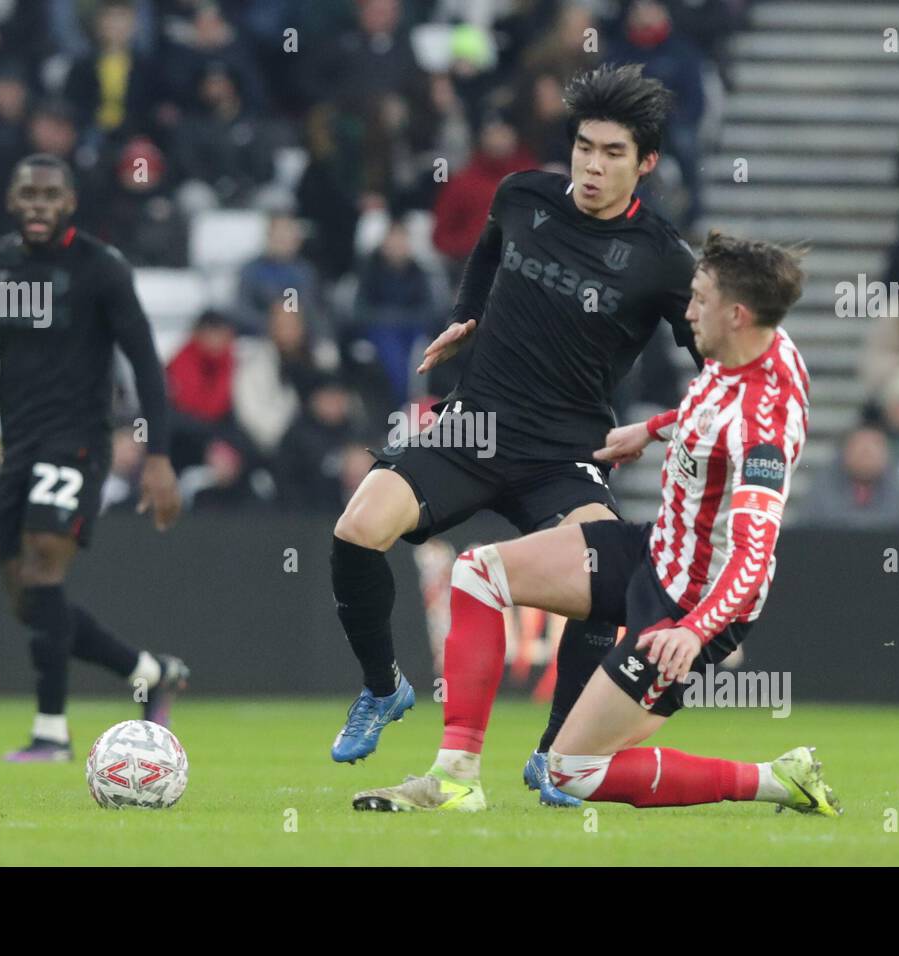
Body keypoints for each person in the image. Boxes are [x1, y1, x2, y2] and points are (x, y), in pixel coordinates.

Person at [352, 232, 839, 818]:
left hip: (687, 611)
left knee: (572, 772)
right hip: (653, 553)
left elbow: (753, 557)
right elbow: (715, 398)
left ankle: (776, 778)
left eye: (700, 300)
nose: (686, 312)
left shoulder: (762, 429)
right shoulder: (761, 345)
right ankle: (455, 778)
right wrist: (654, 429)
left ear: (737, 315)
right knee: (480, 572)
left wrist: (693, 632)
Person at [329, 65, 702, 808]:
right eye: (585, 148)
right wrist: (467, 314)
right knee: (355, 528)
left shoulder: (664, 258)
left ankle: (553, 754)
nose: (593, 166)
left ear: (647, 163)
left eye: (613, 153)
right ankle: (382, 687)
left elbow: (715, 362)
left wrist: (667, 428)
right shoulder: (523, 195)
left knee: (611, 589)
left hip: (566, 453)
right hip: (473, 424)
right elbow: (490, 250)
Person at [0, 154, 189, 762]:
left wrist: (158, 455)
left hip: (77, 442)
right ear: (11, 200)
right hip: (18, 445)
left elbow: (146, 362)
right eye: (28, 195)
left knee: (44, 570)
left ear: (70, 203)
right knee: (26, 598)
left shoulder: (100, 268)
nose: (38, 206)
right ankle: (149, 671)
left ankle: (51, 731)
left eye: (50, 196)